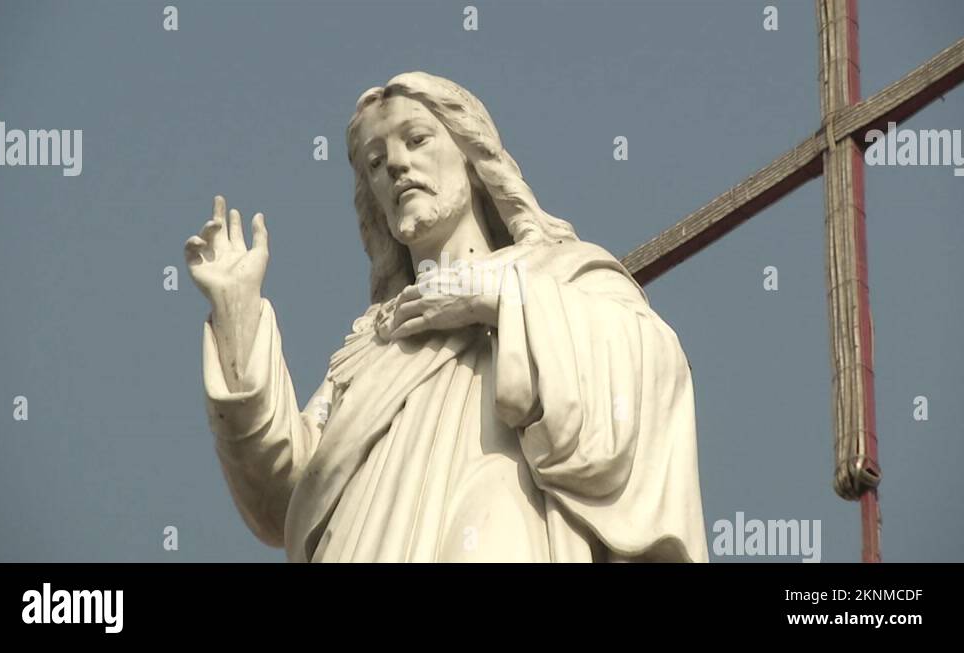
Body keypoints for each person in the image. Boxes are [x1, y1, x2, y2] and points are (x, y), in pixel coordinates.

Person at [184, 71, 709, 562]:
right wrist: (237, 310)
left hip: (498, 520)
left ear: (473, 161)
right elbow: (284, 495)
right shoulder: (372, 344)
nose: (393, 166)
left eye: (416, 140)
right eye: (373, 162)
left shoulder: (557, 272)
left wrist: (496, 299)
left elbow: (655, 367)